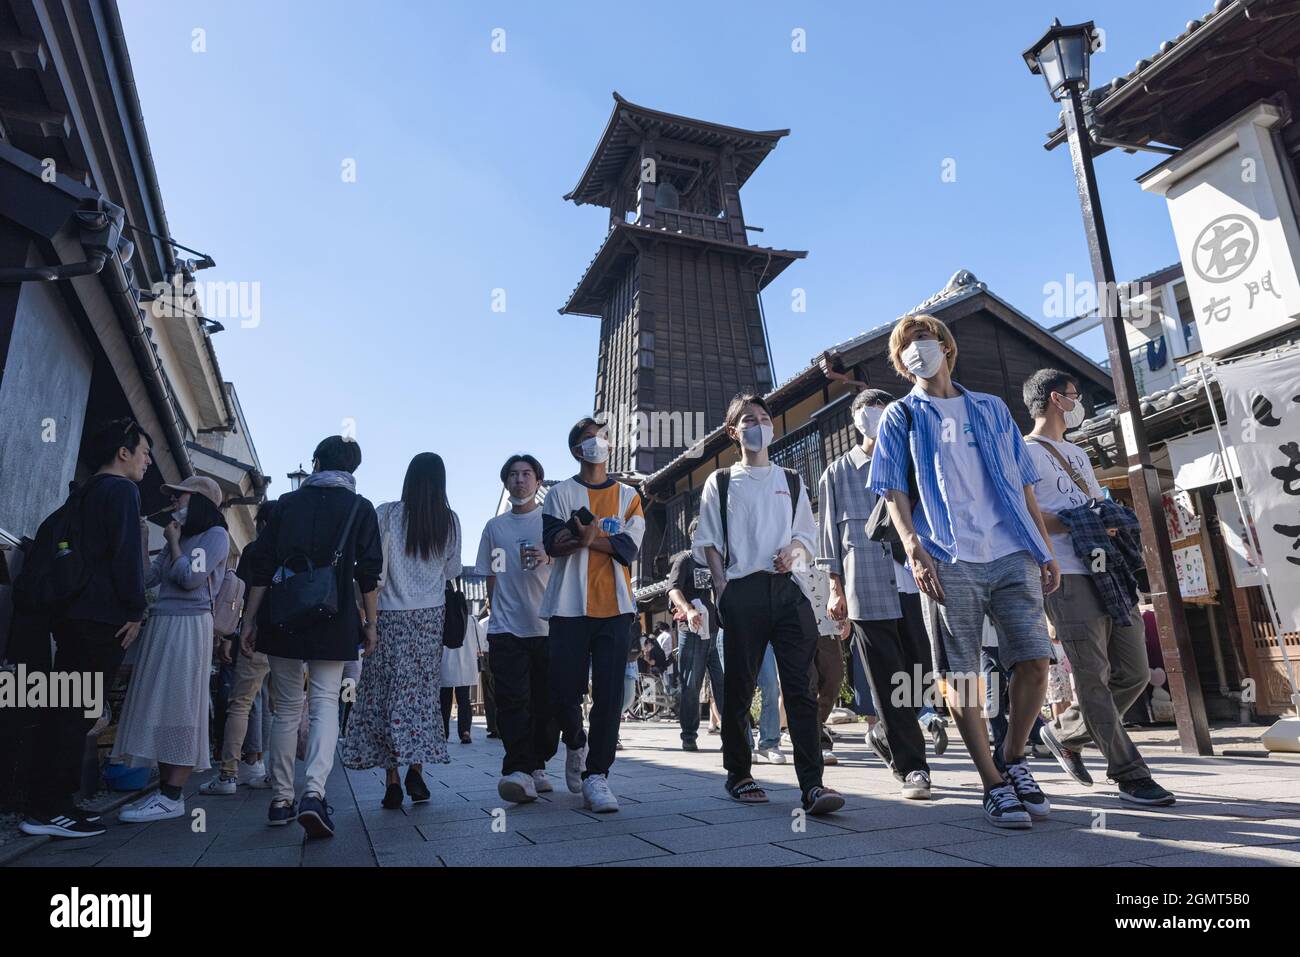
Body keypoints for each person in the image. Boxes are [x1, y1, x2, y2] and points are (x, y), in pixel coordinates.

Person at [869, 314, 1058, 829]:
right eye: (906, 345)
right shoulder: (901, 417)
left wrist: (1043, 547)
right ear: (899, 360)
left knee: (1035, 659)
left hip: (1011, 548)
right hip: (948, 554)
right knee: (963, 675)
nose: (916, 349)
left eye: (923, 339)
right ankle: (992, 783)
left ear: (946, 347)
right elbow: (891, 488)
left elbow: (1023, 483)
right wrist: (912, 546)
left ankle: (1014, 757)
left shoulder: (992, 409)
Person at [1021, 368, 1175, 806]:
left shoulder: (1078, 453)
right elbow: (1027, 516)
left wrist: (1100, 517)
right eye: (1075, 395)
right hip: (1065, 573)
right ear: (1057, 399)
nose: (1079, 402)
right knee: (1093, 675)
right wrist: (1081, 523)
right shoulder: (1023, 452)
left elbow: (1091, 504)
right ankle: (1129, 774)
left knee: (1135, 672)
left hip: (1107, 568)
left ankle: (1065, 732)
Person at [694, 393, 844, 816]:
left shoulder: (792, 479)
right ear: (733, 432)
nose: (758, 425)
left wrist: (793, 549)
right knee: (741, 688)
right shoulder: (721, 482)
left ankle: (812, 786)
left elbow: (806, 536)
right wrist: (723, 587)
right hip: (743, 591)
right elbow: (708, 541)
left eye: (763, 418)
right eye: (748, 420)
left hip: (790, 590)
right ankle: (739, 774)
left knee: (801, 687)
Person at [241, 435, 382, 838]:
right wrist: (370, 624)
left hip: (283, 613)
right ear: (352, 469)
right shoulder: (359, 507)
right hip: (333, 616)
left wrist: (249, 620)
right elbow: (368, 573)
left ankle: (281, 798)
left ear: (316, 462)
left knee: (285, 708)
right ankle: (314, 794)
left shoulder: (286, 505)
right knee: (324, 704)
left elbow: (261, 566)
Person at [18, 419, 152, 838]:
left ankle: (54, 803)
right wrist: (136, 609)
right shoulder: (122, 491)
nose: (148, 460)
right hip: (102, 619)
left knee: (65, 710)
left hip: (73, 617)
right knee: (74, 715)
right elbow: (127, 556)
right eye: (144, 451)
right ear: (123, 451)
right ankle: (47, 811)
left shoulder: (83, 493)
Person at [819, 388, 932, 799]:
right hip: (864, 586)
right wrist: (835, 590)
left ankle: (885, 732)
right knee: (887, 680)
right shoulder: (837, 472)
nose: (878, 418)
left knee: (921, 674)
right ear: (856, 420)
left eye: (885, 411)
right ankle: (913, 768)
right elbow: (828, 538)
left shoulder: (910, 462)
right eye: (869, 412)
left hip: (914, 584)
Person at [342, 452, 460, 809]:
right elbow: (451, 571)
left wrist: (368, 621)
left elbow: (371, 569)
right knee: (421, 697)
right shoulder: (449, 520)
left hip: (388, 616)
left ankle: (392, 780)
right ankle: (417, 772)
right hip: (429, 618)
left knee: (387, 697)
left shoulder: (386, 513)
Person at [541, 417, 645, 813]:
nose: (597, 443)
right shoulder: (559, 493)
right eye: (588, 439)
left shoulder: (628, 495)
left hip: (616, 607)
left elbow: (629, 549)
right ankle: (575, 741)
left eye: (602, 437)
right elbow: (554, 543)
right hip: (567, 606)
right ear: (575, 450)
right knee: (563, 689)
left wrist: (588, 537)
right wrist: (599, 539)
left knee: (610, 693)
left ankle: (597, 774)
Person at [113, 476, 230, 822]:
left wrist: (174, 543)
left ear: (199, 501)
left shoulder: (216, 535)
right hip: (164, 620)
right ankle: (164, 790)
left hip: (189, 624)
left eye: (181, 495)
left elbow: (190, 577)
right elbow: (148, 579)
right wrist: (146, 539)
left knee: (180, 703)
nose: (175, 500)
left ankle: (173, 794)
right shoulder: (179, 535)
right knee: (162, 702)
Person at [476, 454, 559, 804]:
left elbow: (568, 563)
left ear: (538, 481)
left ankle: (538, 763)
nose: (519, 480)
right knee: (512, 701)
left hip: (547, 624)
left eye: (526, 474)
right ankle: (518, 770)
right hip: (507, 628)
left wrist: (549, 556)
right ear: (506, 482)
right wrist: (498, 614)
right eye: (513, 474)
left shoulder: (550, 522)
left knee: (546, 702)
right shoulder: (496, 527)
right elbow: (492, 574)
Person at [202, 501, 277, 796]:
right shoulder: (291, 551)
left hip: (254, 636)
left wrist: (230, 636)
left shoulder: (255, 551)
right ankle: (270, 771)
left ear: (261, 524)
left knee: (241, 703)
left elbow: (238, 596)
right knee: (277, 707)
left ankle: (228, 774)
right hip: (287, 640)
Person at [668, 518, 724, 752]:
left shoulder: (717, 559)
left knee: (723, 684)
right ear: (693, 535)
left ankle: (731, 736)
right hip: (691, 631)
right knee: (691, 685)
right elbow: (672, 589)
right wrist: (688, 609)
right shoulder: (685, 560)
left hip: (716, 630)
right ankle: (689, 735)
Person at [441, 603, 485, 744]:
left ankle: (443, 732)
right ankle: (465, 732)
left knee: (444, 700)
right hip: (465, 665)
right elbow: (481, 643)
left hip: (445, 664)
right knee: (464, 699)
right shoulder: (471, 620)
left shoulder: (442, 618)